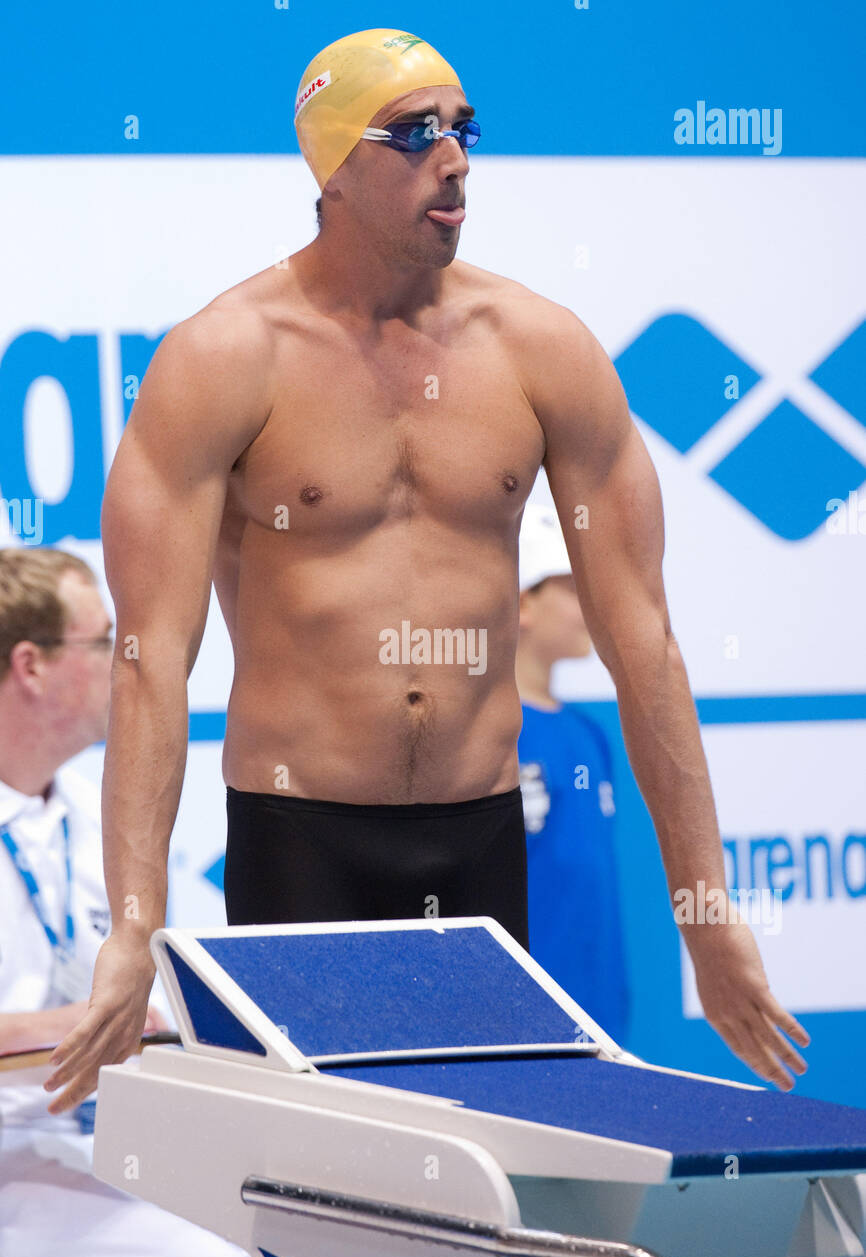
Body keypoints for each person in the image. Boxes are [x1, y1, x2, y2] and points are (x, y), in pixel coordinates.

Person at [47, 26, 809, 1115]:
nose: (452, 158)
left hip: (478, 840)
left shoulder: (541, 352)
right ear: (330, 167)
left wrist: (705, 910)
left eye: (463, 129)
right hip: (300, 839)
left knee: (483, 1198)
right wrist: (134, 924)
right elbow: (148, 662)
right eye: (411, 134)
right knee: (318, 1216)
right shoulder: (224, 359)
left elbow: (643, 644)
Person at [0, 546, 257, 1257]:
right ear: (30, 665)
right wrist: (79, 1024)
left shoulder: (94, 813)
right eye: (104, 641)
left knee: (299, 1216)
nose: (126, 663)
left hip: (106, 1131)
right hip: (17, 1144)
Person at [516, 505, 629, 1041]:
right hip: (520, 1021)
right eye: (572, 587)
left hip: (601, 1015)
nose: (592, 603)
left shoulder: (591, 733)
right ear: (523, 603)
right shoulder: (485, 738)